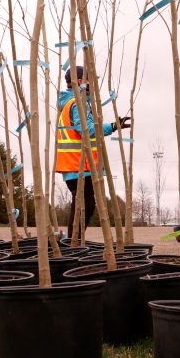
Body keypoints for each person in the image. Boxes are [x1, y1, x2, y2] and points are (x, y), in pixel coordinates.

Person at [55, 66, 130, 238]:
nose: (92, 83)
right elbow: (87, 130)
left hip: (77, 165)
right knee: (84, 206)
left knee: (85, 206)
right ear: (80, 82)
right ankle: (72, 243)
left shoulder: (70, 102)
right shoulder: (77, 103)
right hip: (78, 166)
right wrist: (113, 126)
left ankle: (72, 241)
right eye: (89, 80)